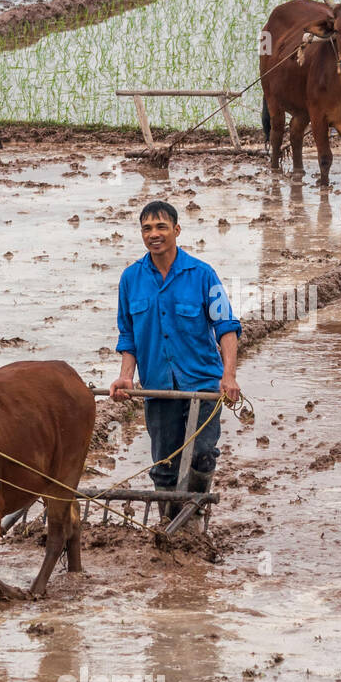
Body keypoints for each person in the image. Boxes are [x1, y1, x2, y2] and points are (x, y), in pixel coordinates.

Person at [109, 200, 241, 521]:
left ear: (176, 230)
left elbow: (226, 328)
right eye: (147, 228)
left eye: (161, 227)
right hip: (158, 386)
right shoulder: (130, 279)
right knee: (164, 465)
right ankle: (169, 523)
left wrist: (229, 376)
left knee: (202, 455)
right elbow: (129, 336)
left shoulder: (202, 274)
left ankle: (193, 518)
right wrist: (126, 376)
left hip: (204, 384)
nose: (154, 234)